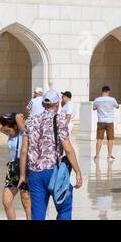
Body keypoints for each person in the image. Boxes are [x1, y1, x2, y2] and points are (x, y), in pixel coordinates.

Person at [23, 89, 82, 220]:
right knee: (64, 209)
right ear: (57, 104)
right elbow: (68, 149)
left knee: (37, 215)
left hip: (34, 174)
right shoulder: (60, 120)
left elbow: (23, 151)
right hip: (54, 172)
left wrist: (22, 176)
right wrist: (77, 171)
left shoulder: (30, 121)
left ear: (43, 104)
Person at [0, 112, 31, 219]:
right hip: (12, 170)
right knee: (6, 201)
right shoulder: (10, 133)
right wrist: (6, 119)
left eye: (9, 130)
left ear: (16, 126)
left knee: (26, 200)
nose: (7, 132)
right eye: (6, 130)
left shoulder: (23, 134)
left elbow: (23, 125)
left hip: (23, 168)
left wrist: (17, 117)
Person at [92, 85, 119, 160]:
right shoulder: (112, 99)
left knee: (99, 139)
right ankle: (109, 155)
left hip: (101, 121)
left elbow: (94, 108)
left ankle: (97, 155)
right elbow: (117, 106)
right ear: (108, 92)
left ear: (102, 91)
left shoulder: (97, 100)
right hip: (110, 121)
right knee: (110, 139)